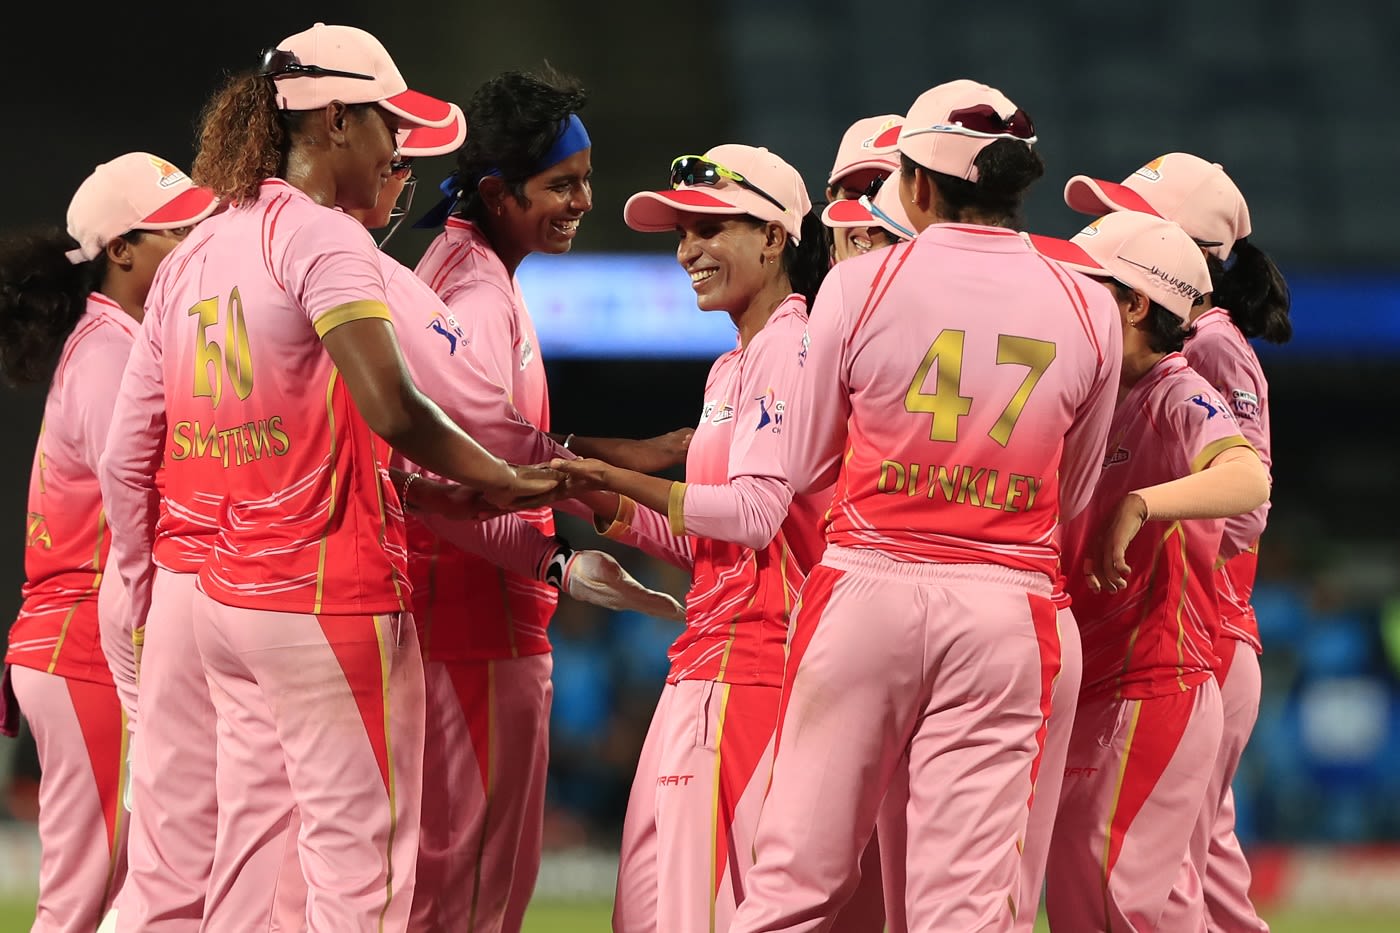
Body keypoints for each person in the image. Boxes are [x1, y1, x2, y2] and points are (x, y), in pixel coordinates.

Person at [98, 23, 566, 933]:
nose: (400, 149)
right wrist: (506, 478)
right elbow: (392, 406)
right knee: (360, 882)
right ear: (337, 119)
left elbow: (129, 453)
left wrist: (140, 584)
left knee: (244, 871)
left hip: (216, 594)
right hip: (323, 593)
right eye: (389, 125)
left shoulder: (194, 248)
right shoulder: (325, 241)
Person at [727, 79, 1123, 933]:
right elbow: (1077, 488)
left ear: (913, 185)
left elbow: (801, 460)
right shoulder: (1089, 304)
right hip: (1006, 606)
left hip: (865, 589)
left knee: (793, 882)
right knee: (967, 909)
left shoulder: (860, 283)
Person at [553, 142, 885, 933]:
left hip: (754, 669)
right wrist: (593, 496)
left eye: (709, 227)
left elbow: (753, 514)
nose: (687, 250)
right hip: (710, 662)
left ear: (774, 237)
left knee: (699, 913)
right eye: (680, 232)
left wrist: (617, 480)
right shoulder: (733, 366)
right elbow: (714, 539)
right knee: (649, 910)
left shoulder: (791, 346)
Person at [404, 67, 687, 932]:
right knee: (478, 892)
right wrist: (559, 559)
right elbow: (445, 481)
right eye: (561, 185)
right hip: (479, 629)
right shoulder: (479, 298)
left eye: (585, 179)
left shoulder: (464, 269)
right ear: (497, 190)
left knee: (446, 881)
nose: (583, 201)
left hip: (463, 622)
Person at [1063, 152, 1289, 933]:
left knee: (1172, 878)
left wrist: (1145, 508)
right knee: (1189, 872)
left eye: (1136, 215)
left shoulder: (1208, 347)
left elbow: (1245, 509)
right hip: (1163, 633)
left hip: (1199, 632)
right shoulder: (1127, 362)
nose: (1107, 228)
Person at [0, 151, 216, 932]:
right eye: (178, 230)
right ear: (121, 249)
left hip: (76, 642)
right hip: (89, 646)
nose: (196, 242)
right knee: (85, 899)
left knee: (120, 889)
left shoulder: (117, 343)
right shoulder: (112, 355)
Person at [824, 114, 902, 263]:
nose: (868, 223)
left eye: (888, 200)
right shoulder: (799, 282)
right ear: (831, 200)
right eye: (855, 199)